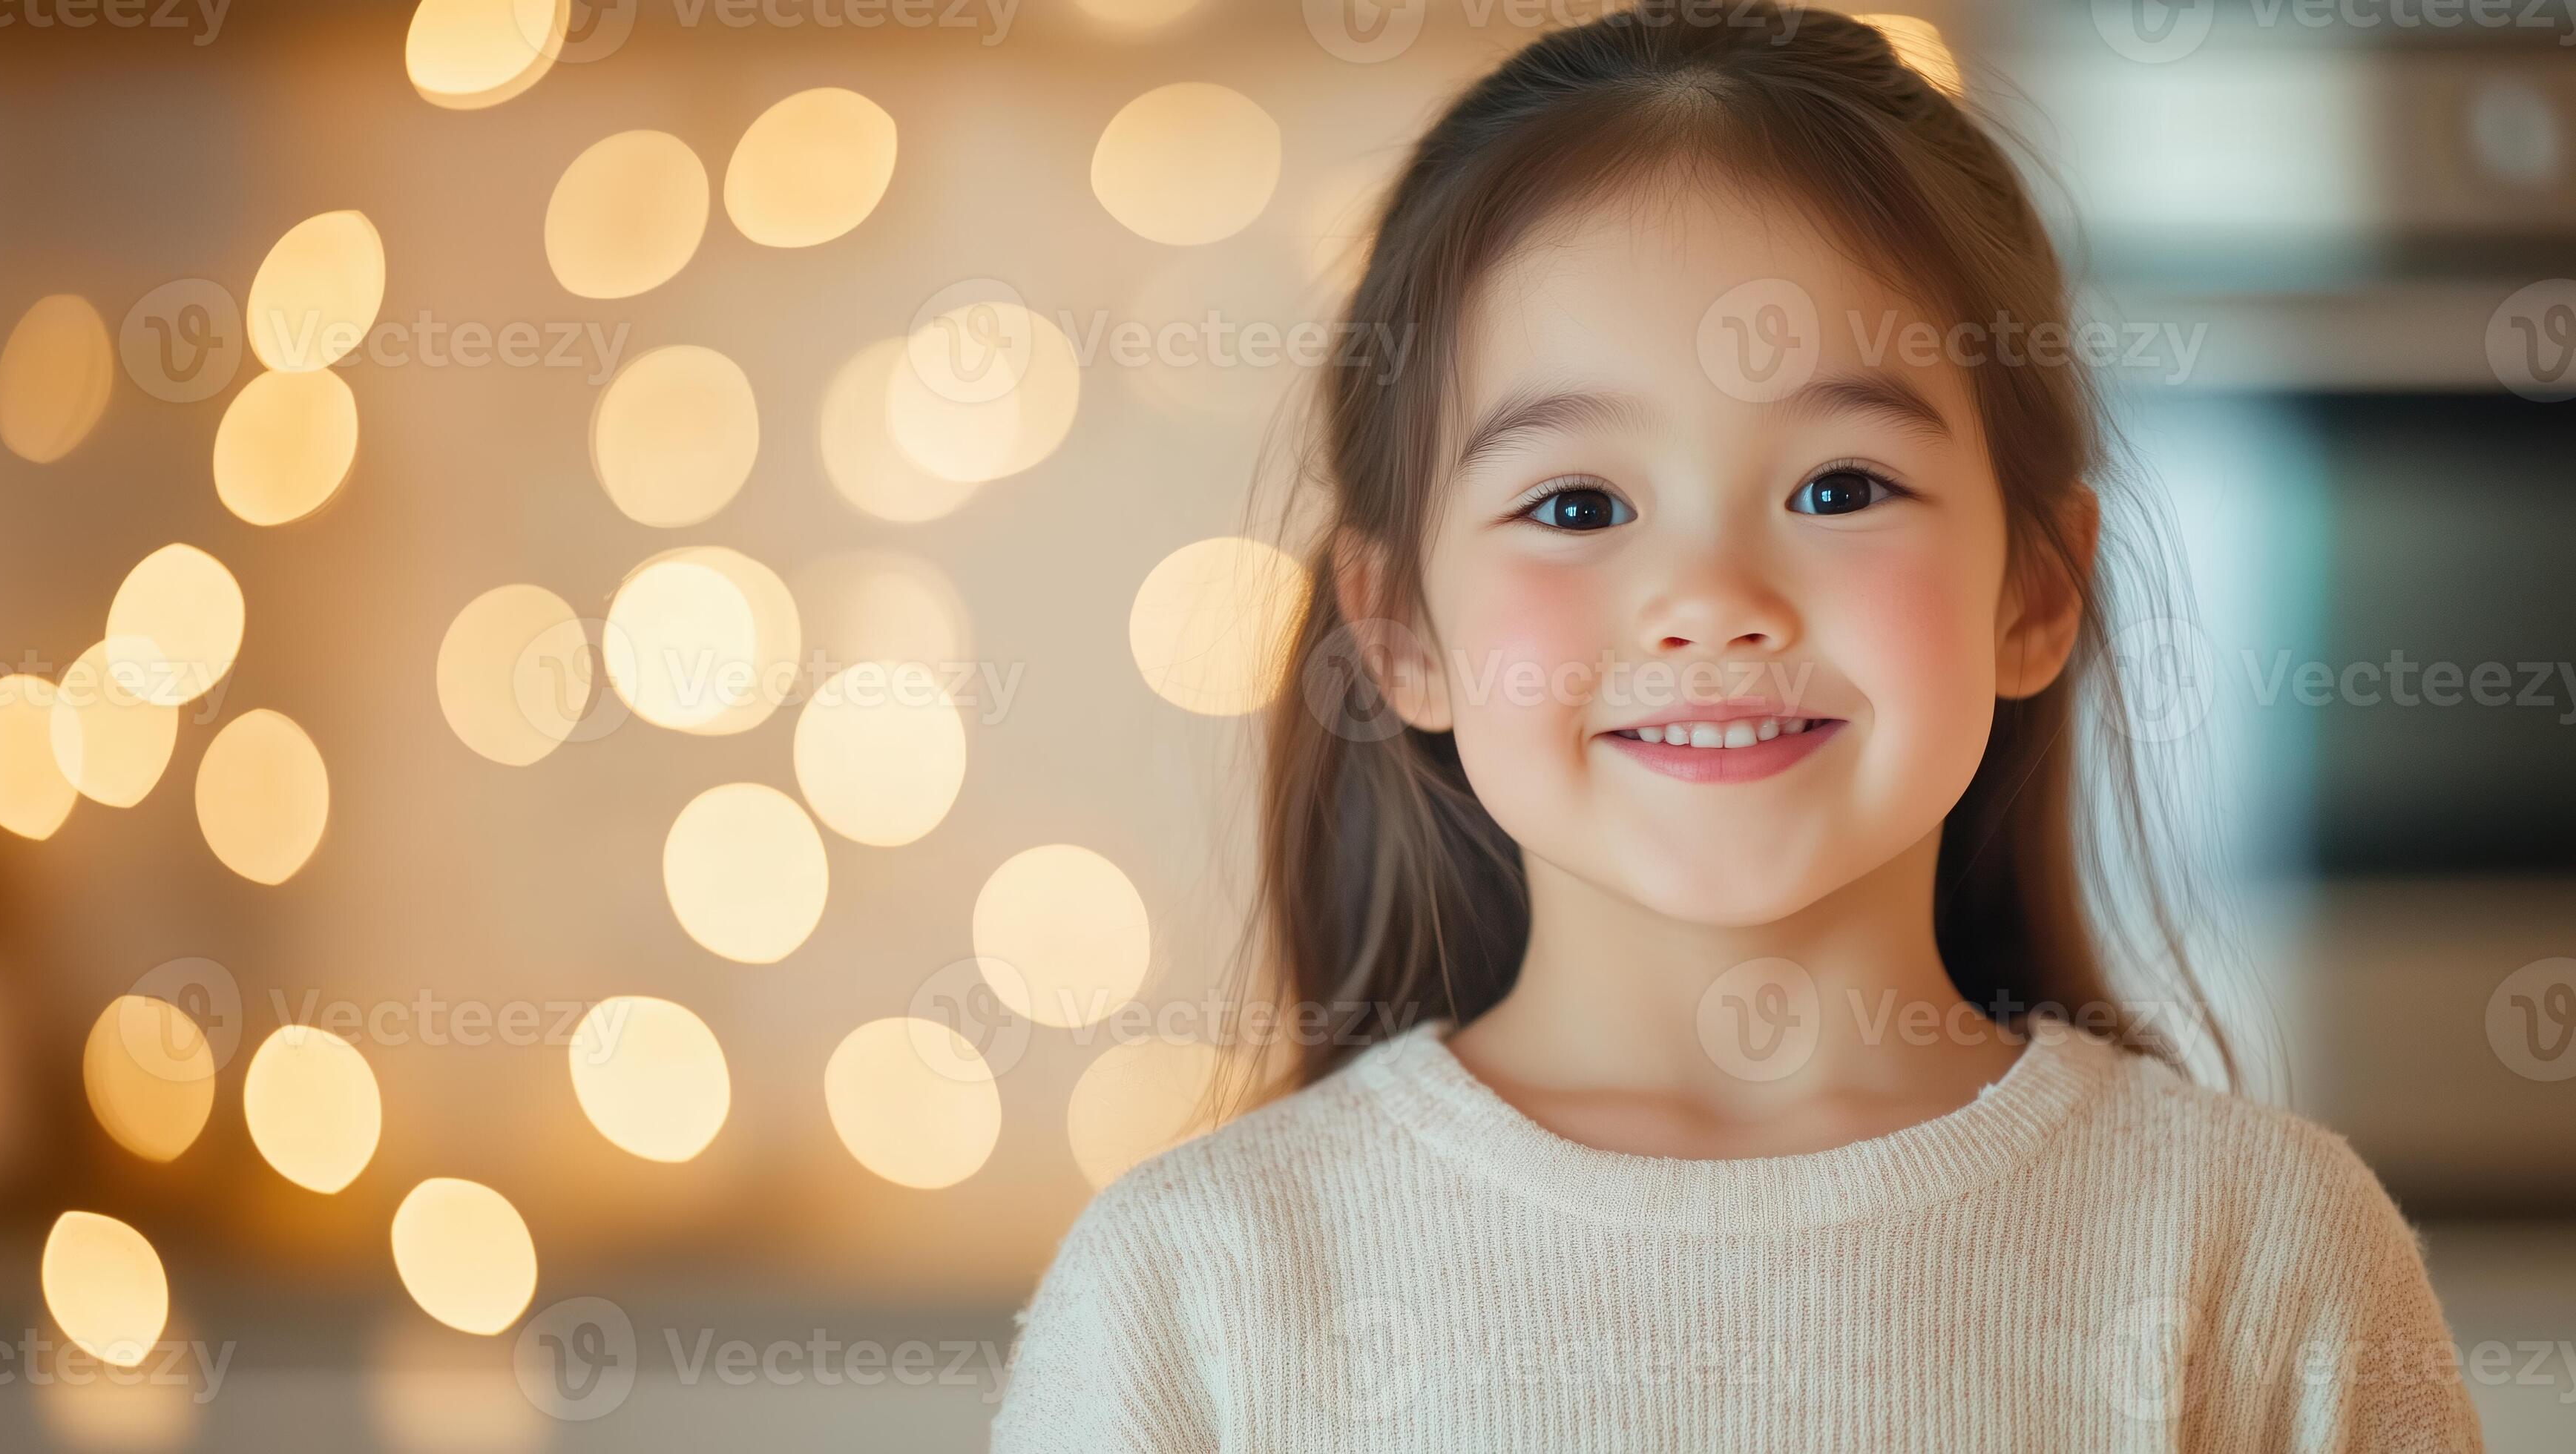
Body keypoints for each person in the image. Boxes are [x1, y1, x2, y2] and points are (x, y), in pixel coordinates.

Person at [993, 4, 2483, 1447]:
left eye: (1839, 487)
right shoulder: (1191, 1293)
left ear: (2034, 589)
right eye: (1577, 505)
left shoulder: (2263, 1253)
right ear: (1399, 633)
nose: (1711, 602)